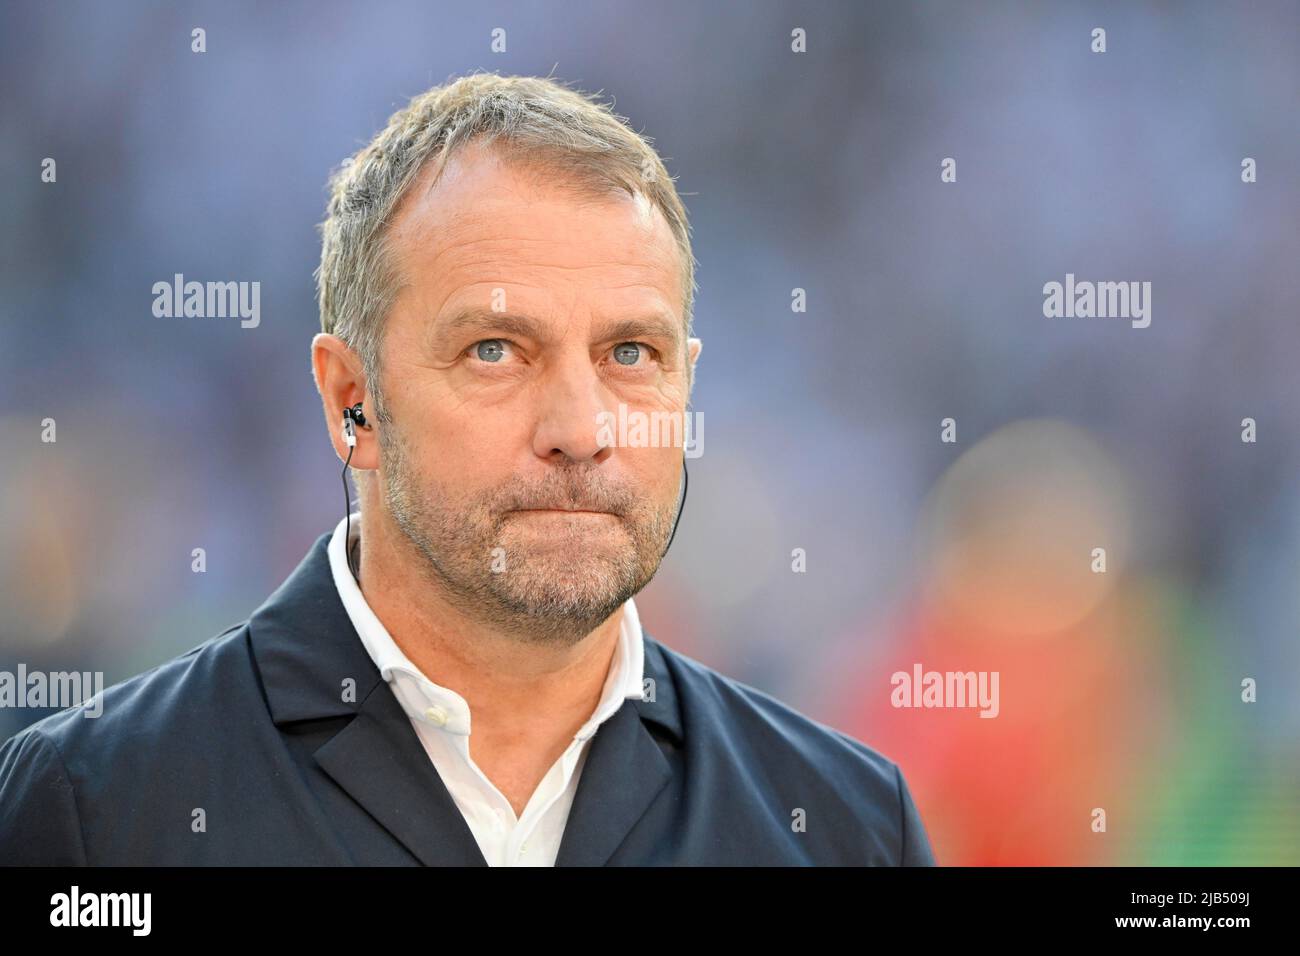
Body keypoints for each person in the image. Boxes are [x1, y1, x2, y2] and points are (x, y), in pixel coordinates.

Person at [0, 72, 935, 866]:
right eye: (496, 350)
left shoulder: (845, 828)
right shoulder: (96, 811)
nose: (581, 428)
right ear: (349, 401)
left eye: (631, 354)